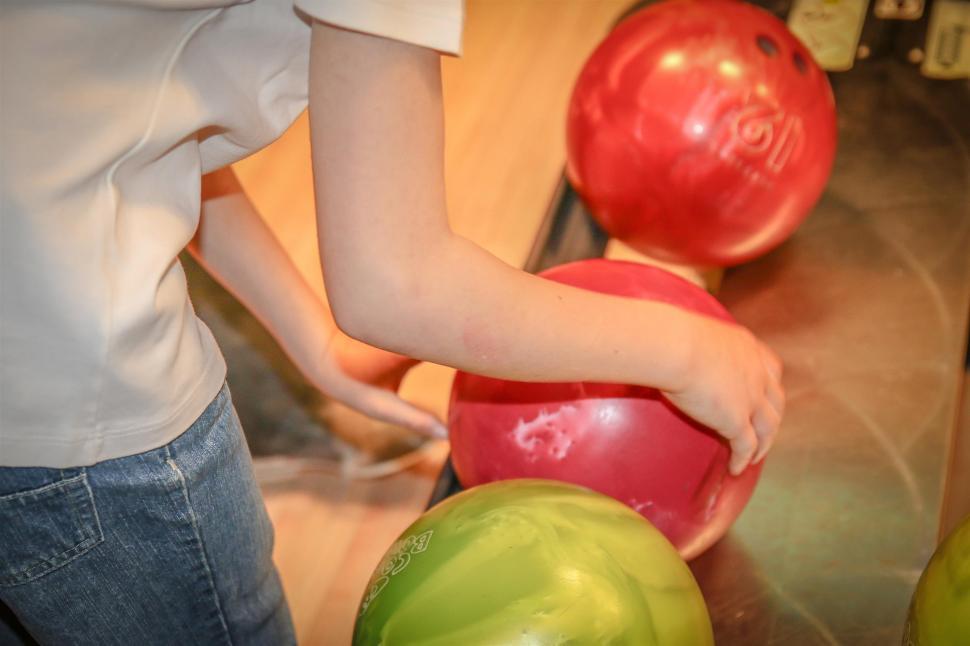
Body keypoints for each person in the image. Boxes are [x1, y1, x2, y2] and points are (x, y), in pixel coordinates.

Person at [0, 0, 785, 643]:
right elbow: (397, 284)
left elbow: (124, 117)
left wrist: (314, 339)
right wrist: (686, 350)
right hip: (68, 419)